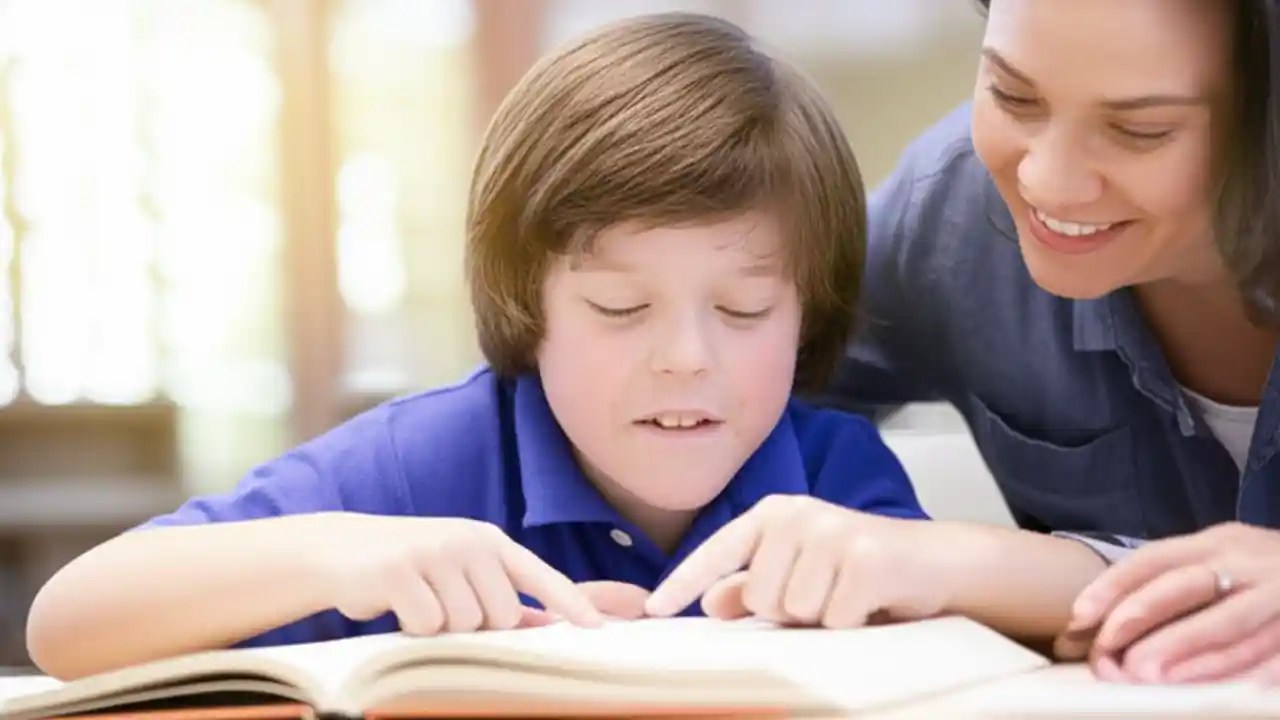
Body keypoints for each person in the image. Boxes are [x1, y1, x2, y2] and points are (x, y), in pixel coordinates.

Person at [23, 12, 929, 681]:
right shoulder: (421, 464)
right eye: (619, 307)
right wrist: (349, 555)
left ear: (810, 309)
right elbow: (66, 623)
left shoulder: (834, 477)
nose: (687, 357)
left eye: (742, 310)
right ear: (523, 301)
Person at [648, 0, 1280, 685]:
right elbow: (646, 384)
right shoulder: (954, 222)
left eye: (1140, 130)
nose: (1048, 182)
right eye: (1012, 95)